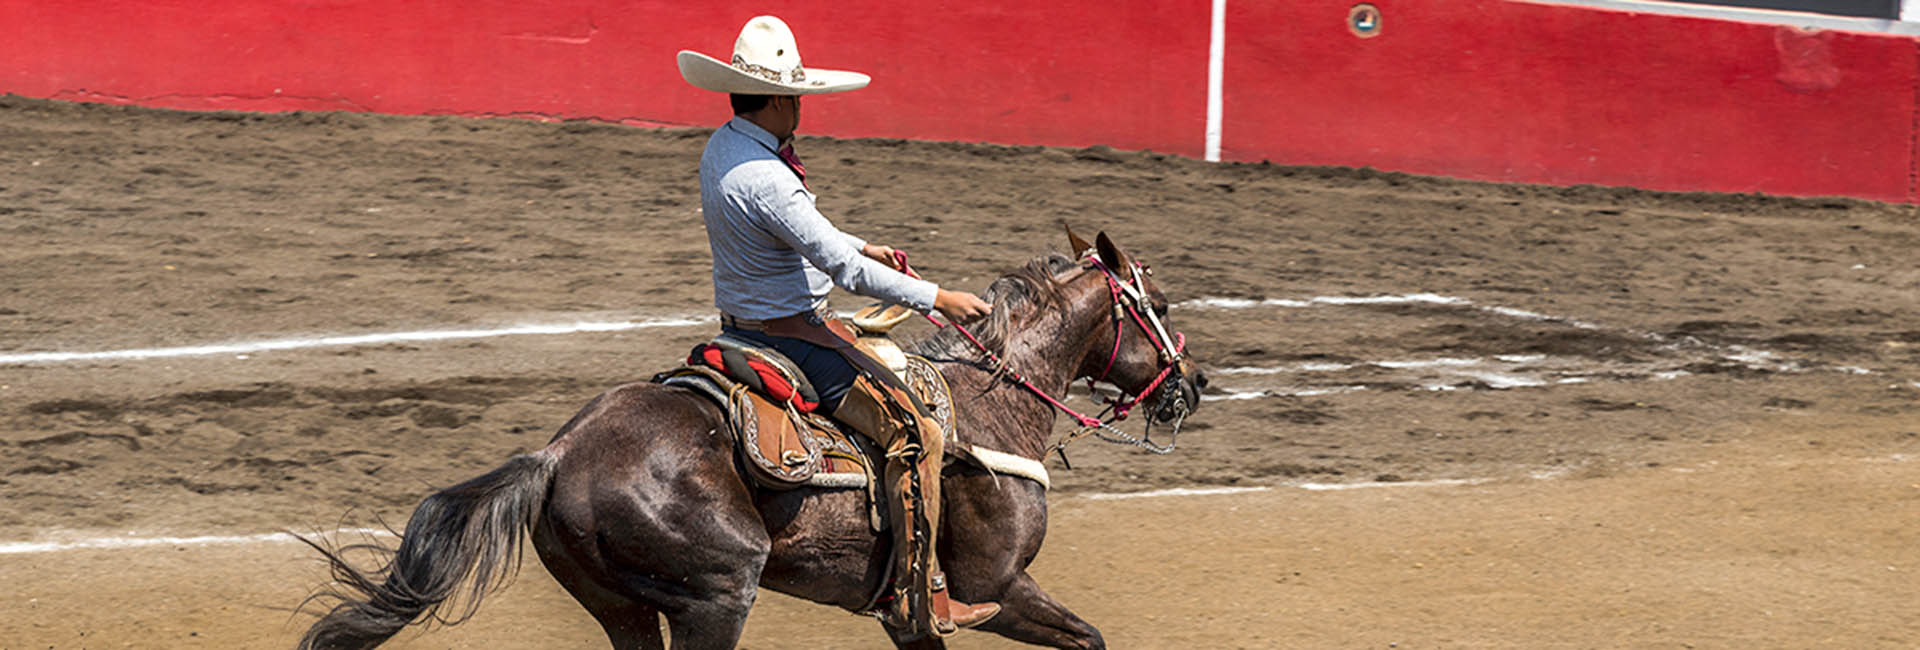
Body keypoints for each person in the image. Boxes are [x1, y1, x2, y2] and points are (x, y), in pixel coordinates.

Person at [675, 15, 999, 637]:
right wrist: (941, 298)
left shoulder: (725, 148)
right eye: (795, 94)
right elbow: (840, 267)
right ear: (774, 98)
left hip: (742, 326)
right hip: (791, 335)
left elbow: (804, 236)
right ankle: (919, 595)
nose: (801, 105)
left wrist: (862, 244)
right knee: (917, 431)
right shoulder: (771, 177)